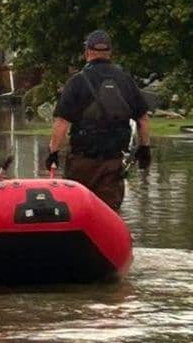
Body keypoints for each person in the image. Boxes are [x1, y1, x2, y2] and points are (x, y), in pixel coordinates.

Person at [45, 30, 151, 210]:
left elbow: (62, 123)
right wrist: (144, 148)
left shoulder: (77, 81)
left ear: (87, 52)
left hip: (81, 162)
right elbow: (143, 119)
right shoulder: (126, 80)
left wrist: (53, 152)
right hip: (113, 162)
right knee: (109, 213)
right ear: (110, 53)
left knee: (77, 210)